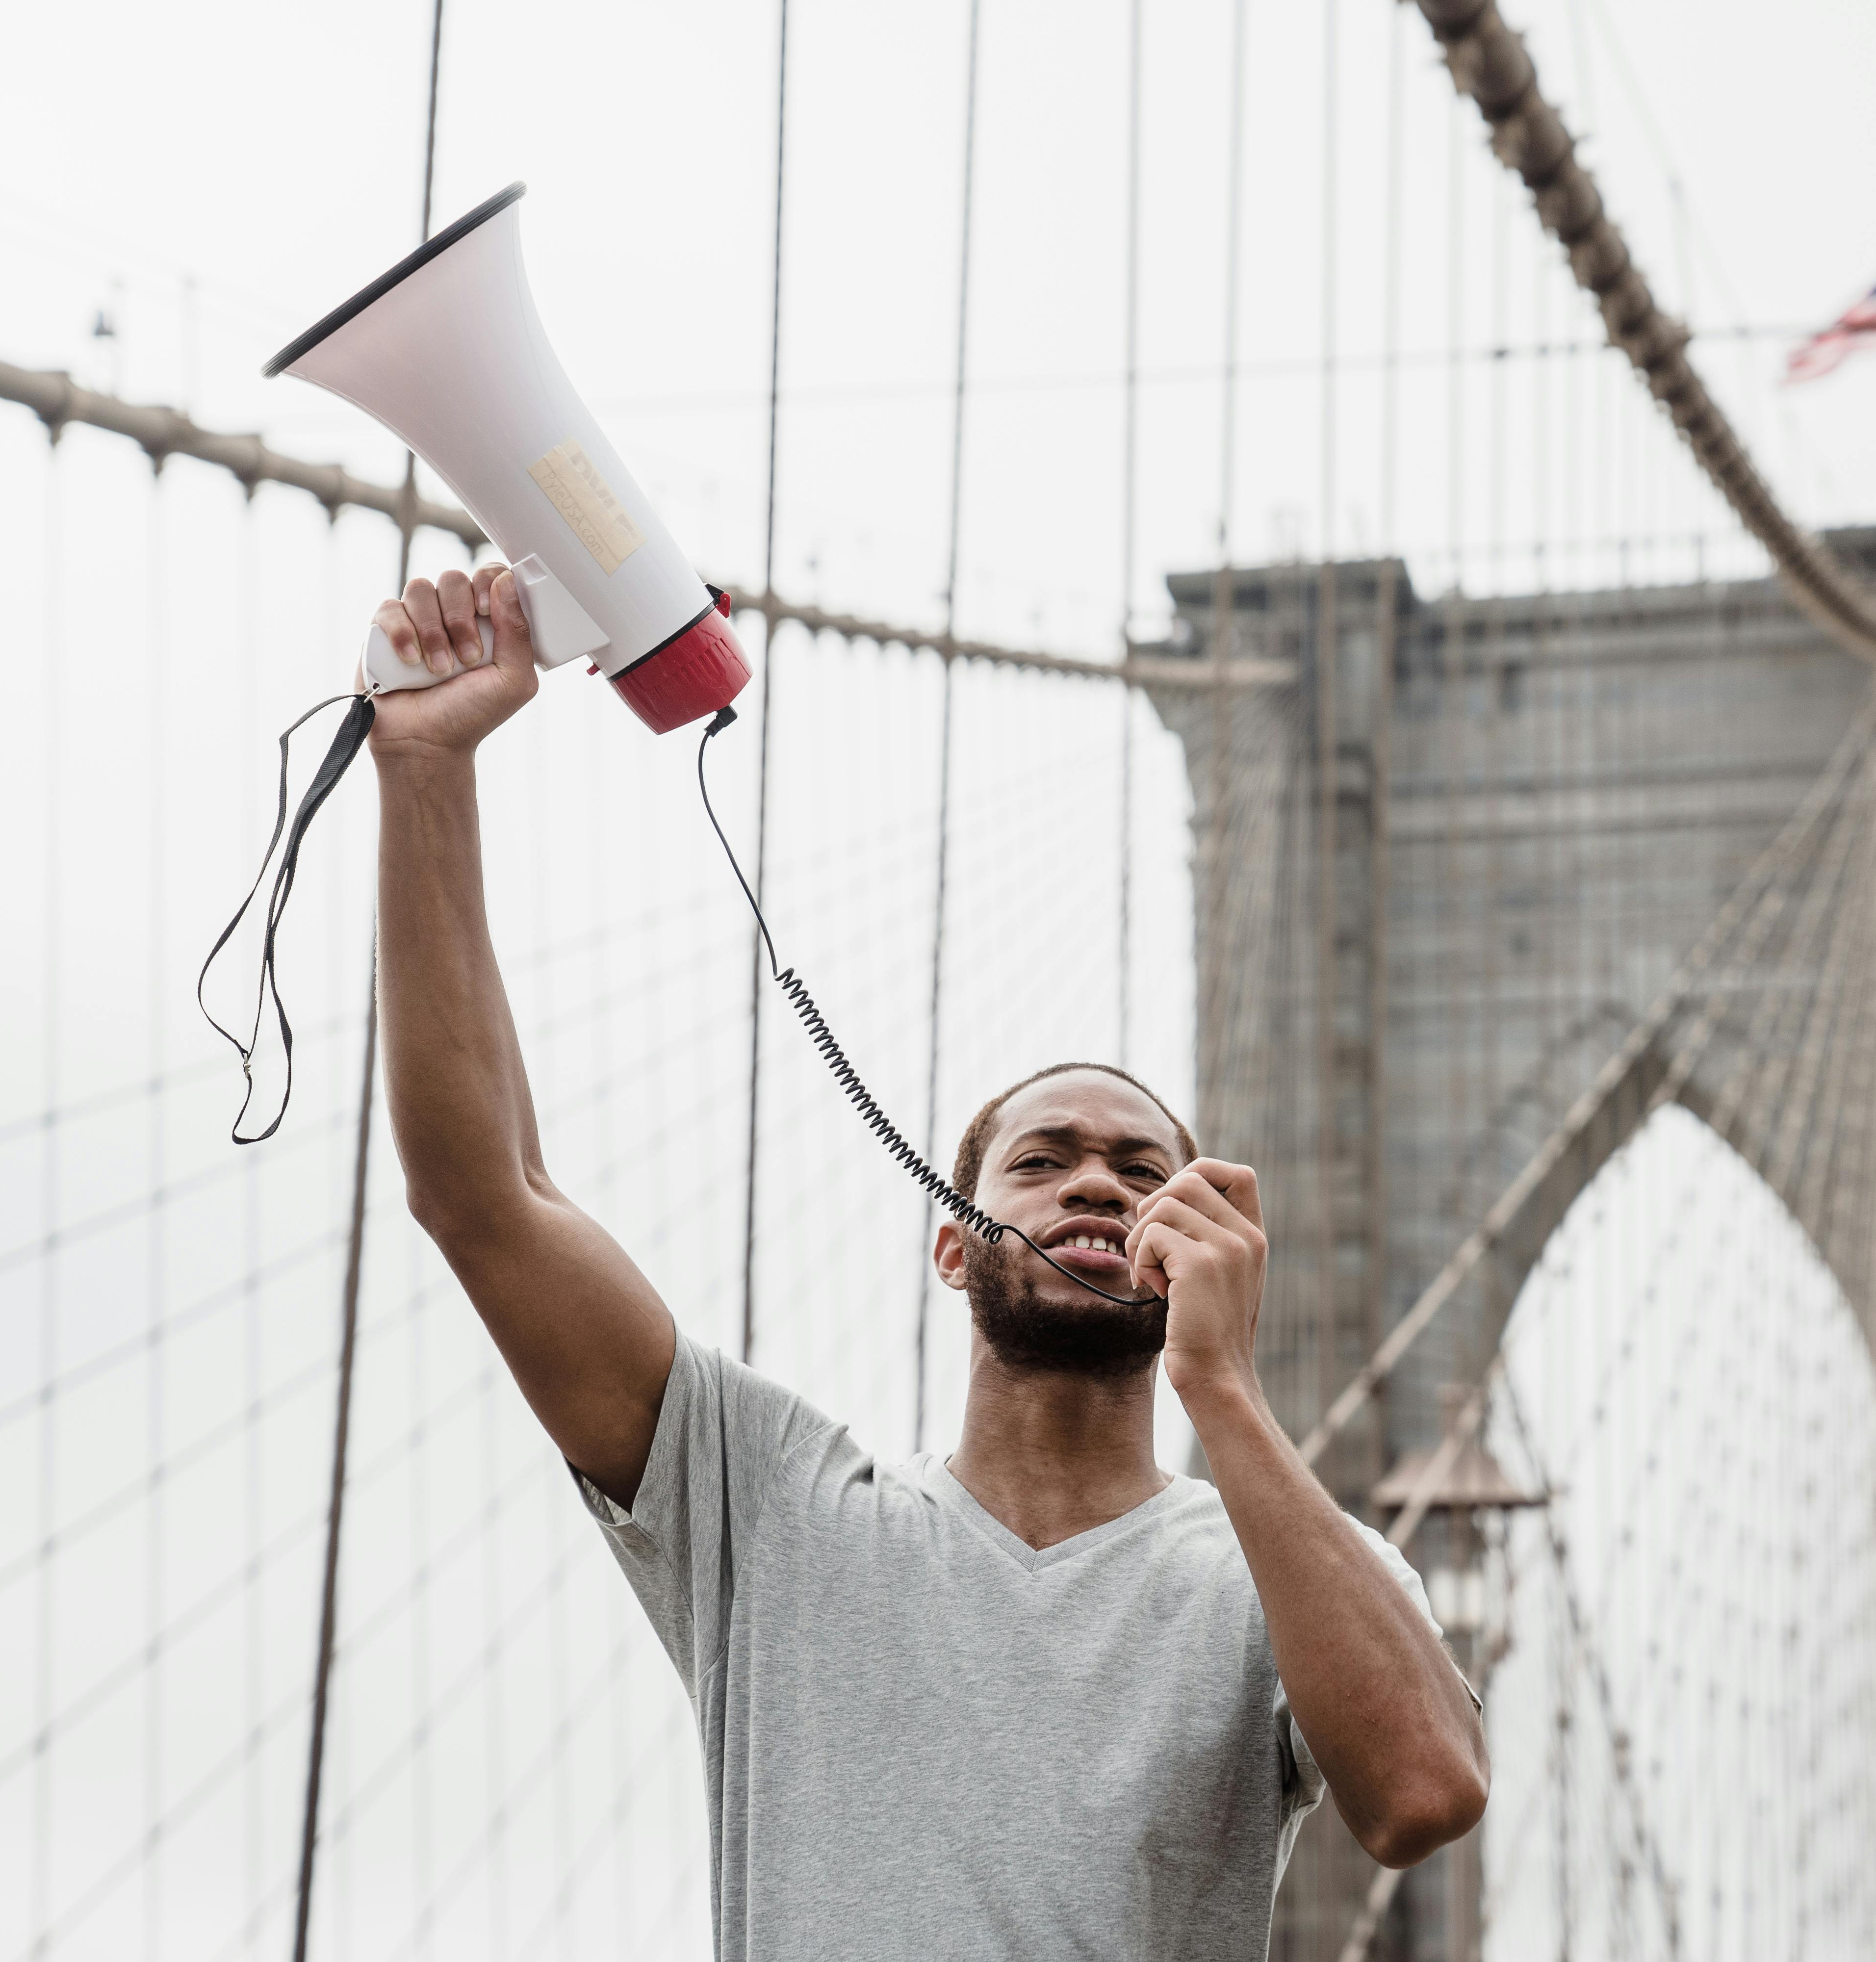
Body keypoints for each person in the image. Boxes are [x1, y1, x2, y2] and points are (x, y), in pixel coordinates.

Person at [364, 565, 1488, 1959]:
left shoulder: (1287, 1568)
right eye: (1043, 1158)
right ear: (954, 1248)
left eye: (1145, 1172)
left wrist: (1229, 1394)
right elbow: (486, 1196)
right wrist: (424, 763)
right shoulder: (772, 1508)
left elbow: (1427, 1793)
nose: (1096, 1178)